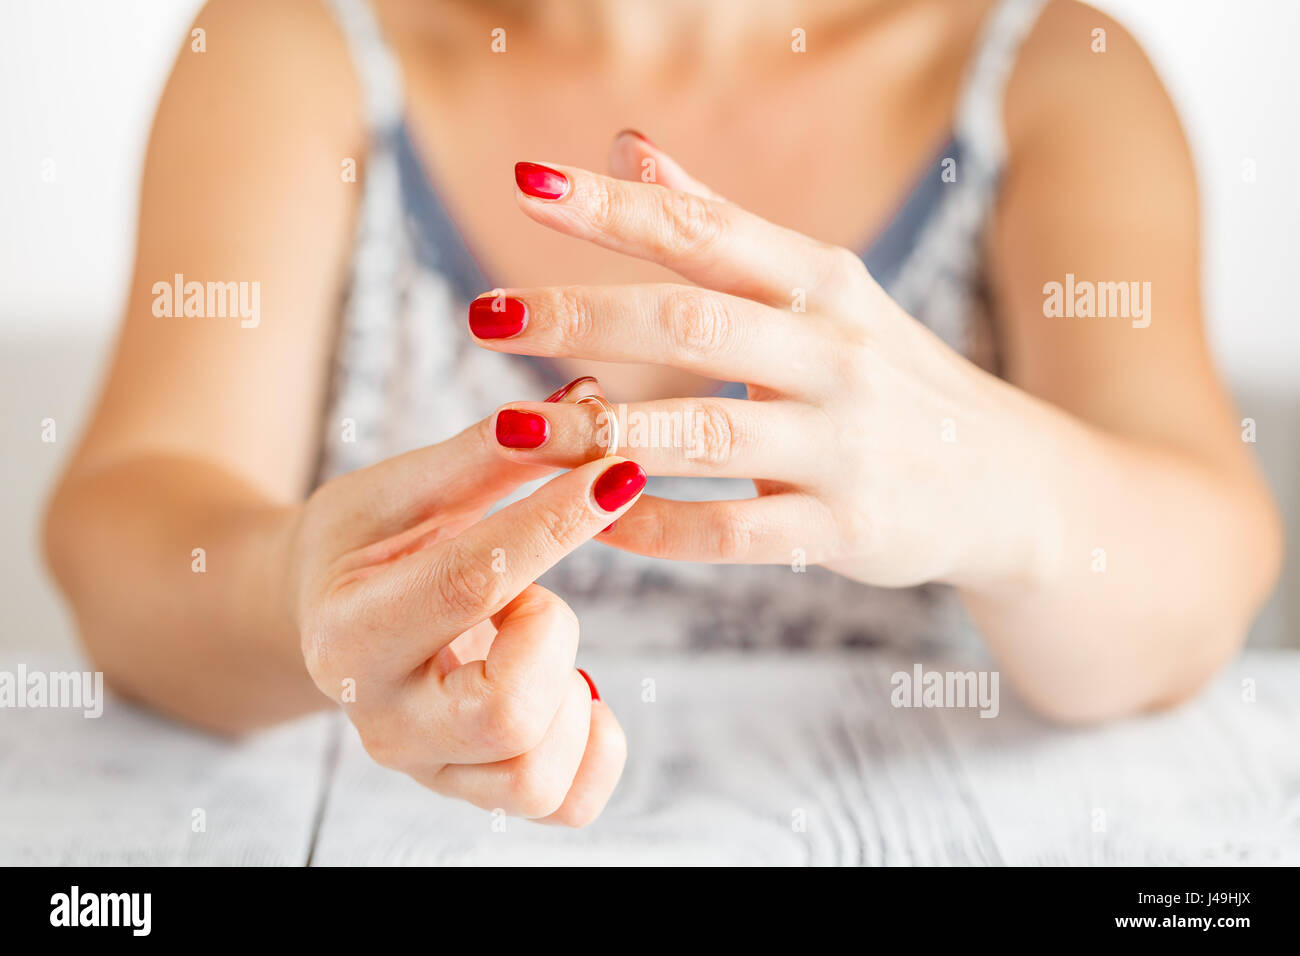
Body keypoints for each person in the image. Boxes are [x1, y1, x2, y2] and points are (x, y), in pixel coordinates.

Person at [44, 0, 1282, 827]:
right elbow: (130, 534)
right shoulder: (294, 43)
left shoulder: (1053, 74)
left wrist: (1001, 487)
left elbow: (1203, 568)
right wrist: (300, 590)